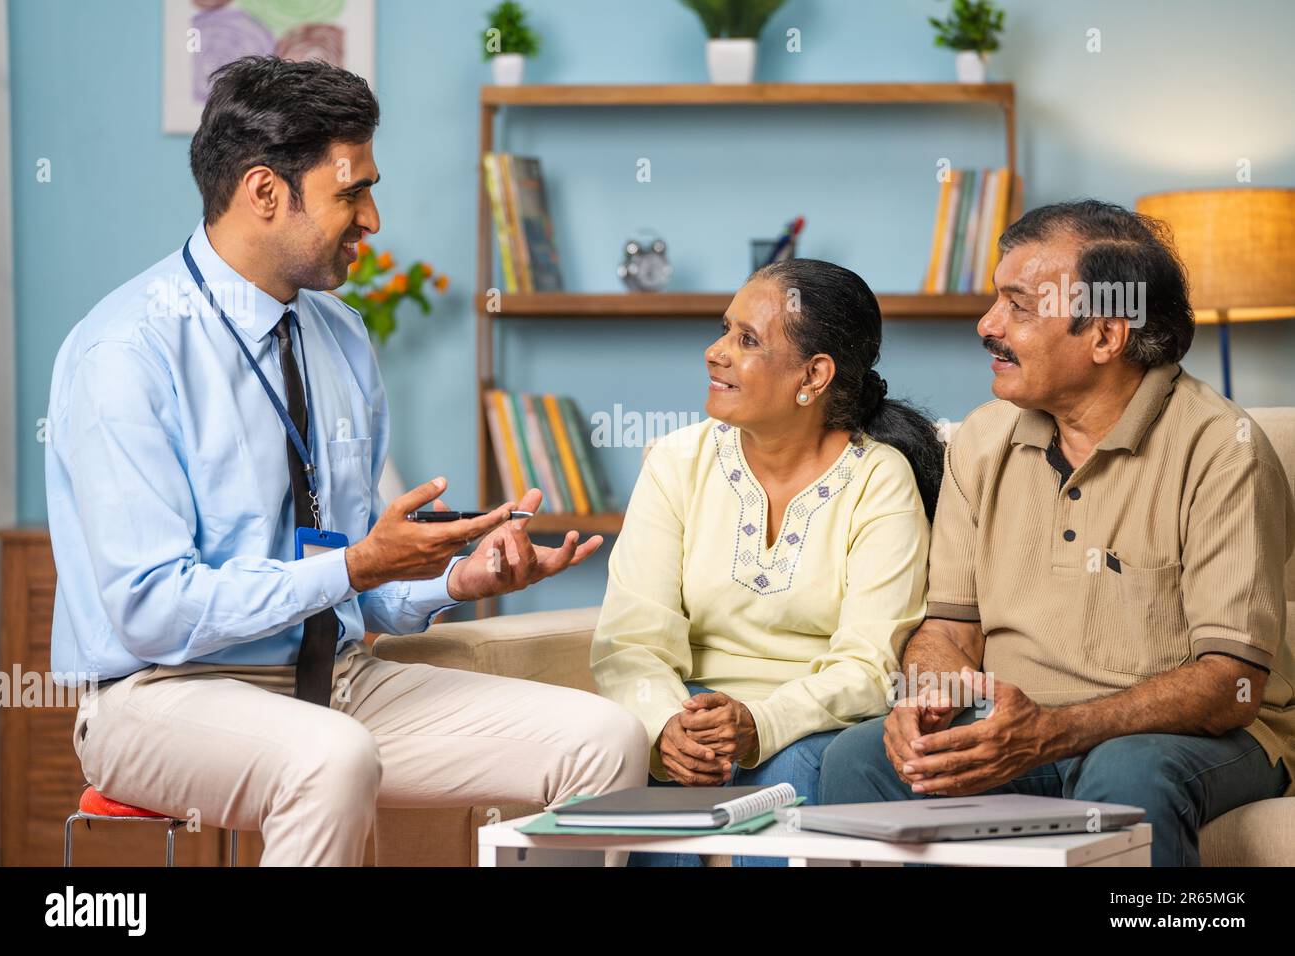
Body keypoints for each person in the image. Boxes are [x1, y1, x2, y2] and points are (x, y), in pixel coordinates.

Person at [46, 56, 647, 866]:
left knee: (604, 738)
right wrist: (359, 565)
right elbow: (151, 611)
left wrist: (452, 580)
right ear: (265, 192)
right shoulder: (127, 351)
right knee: (329, 757)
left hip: (338, 679)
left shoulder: (342, 336)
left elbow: (349, 577)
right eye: (351, 191)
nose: (372, 218)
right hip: (159, 697)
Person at [819, 200, 1295, 866]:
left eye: (1019, 305)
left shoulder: (1223, 450)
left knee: (1126, 776)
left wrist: (1057, 731)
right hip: (1019, 723)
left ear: (1106, 335)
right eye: (995, 300)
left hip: (1189, 738)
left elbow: (1229, 685)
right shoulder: (982, 439)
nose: (988, 325)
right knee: (861, 759)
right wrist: (927, 702)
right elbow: (949, 630)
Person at [590, 258, 940, 865]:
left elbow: (868, 665)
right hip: (689, 708)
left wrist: (759, 722)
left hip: (811, 723)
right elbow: (631, 639)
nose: (715, 352)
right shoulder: (677, 461)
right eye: (725, 329)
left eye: (746, 340)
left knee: (798, 772)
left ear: (815, 374)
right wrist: (667, 724)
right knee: (663, 770)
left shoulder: (879, 479)